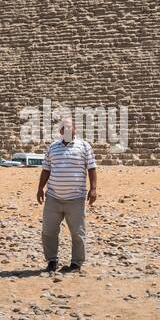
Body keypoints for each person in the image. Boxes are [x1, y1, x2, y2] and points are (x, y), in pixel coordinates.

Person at [37, 117, 97, 273]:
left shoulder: (84, 146)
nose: (69, 131)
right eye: (65, 128)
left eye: (71, 128)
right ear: (61, 131)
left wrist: (93, 189)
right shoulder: (52, 147)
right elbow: (46, 169)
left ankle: (76, 263)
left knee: (78, 233)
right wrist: (40, 188)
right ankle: (52, 261)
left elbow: (91, 168)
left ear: (75, 130)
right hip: (53, 197)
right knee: (48, 231)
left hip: (76, 198)